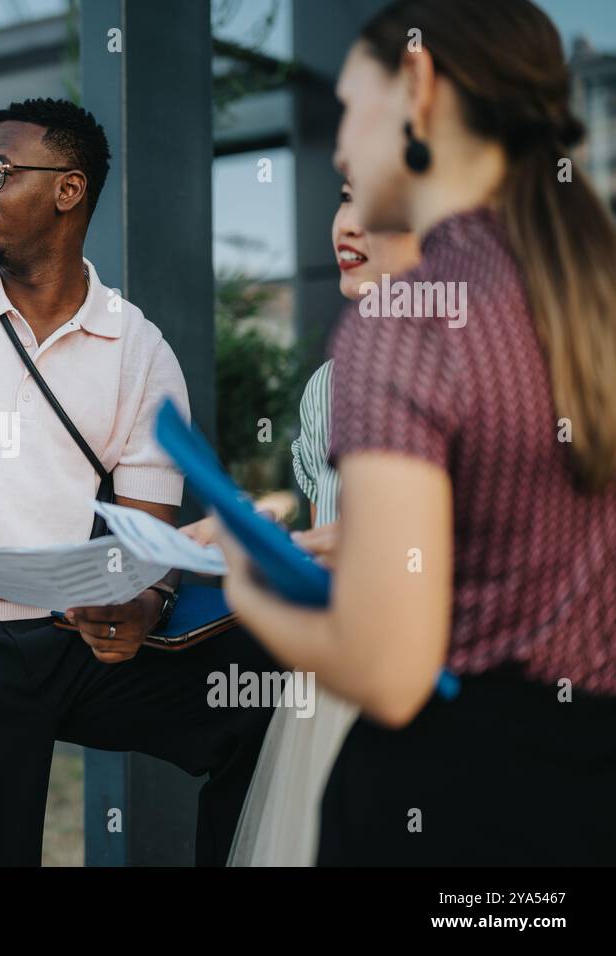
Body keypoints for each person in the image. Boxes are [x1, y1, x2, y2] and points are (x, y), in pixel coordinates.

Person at [214, 0, 616, 865]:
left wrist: (250, 583)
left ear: (421, 89)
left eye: (352, 106)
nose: (338, 146)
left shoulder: (406, 327)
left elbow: (387, 671)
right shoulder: (592, 304)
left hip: (445, 801)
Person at [0, 97, 274, 866]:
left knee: (267, 692)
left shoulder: (136, 347)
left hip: (67, 634)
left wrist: (142, 603)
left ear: (69, 191)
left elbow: (148, 536)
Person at [220, 180, 420, 866]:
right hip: (326, 691)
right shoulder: (328, 386)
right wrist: (259, 542)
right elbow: (326, 546)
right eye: (344, 195)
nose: (350, 224)